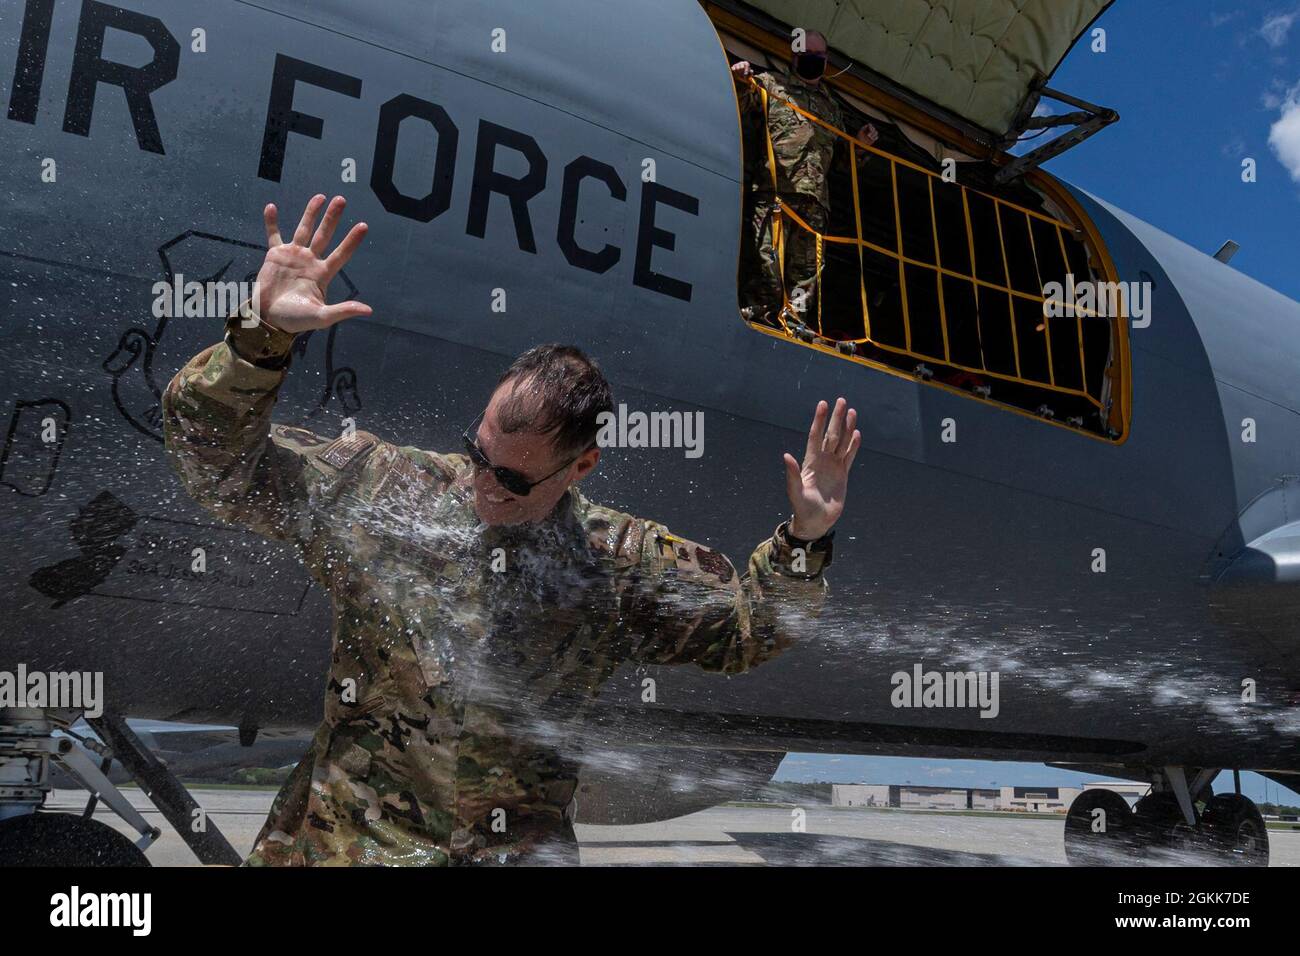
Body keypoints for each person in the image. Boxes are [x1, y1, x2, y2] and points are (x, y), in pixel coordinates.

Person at [162, 194, 862, 866]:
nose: (486, 487)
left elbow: (748, 632)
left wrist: (802, 542)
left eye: (516, 480)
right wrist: (262, 340)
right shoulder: (381, 490)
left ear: (581, 465)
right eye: (479, 457)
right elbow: (221, 468)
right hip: (345, 849)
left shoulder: (614, 563)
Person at [733, 30, 879, 329]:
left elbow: (842, 164)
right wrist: (739, 80)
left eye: (818, 56)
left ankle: (795, 323)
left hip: (814, 204)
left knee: (807, 273)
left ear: (825, 61)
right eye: (807, 53)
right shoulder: (772, 85)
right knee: (766, 264)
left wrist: (860, 146)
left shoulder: (831, 109)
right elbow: (741, 106)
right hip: (775, 194)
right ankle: (760, 318)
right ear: (795, 55)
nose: (813, 59)